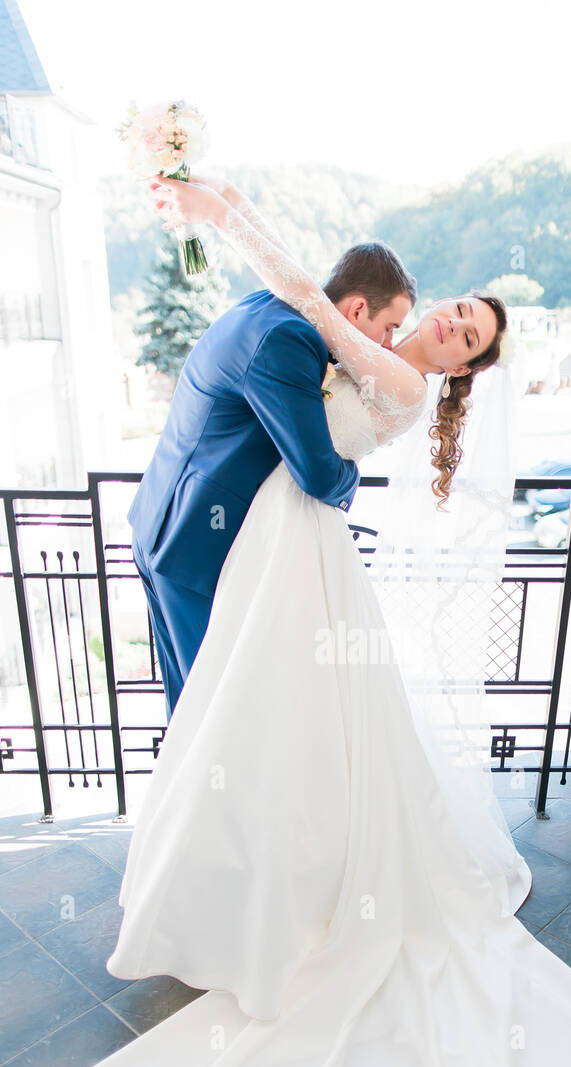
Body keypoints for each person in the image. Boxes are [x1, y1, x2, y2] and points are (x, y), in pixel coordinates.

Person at [81, 174, 571, 1067]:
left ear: (461, 365)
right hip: (277, 557)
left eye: (463, 330)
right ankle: (258, 880)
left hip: (300, 554)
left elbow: (309, 331)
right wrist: (220, 204)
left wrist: (231, 211)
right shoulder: (359, 346)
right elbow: (303, 301)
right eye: (450, 307)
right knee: (268, 733)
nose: (444, 321)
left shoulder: (394, 377)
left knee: (283, 732)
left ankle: (283, 895)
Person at [128, 224, 416, 717]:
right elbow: (319, 474)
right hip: (192, 542)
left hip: (164, 522)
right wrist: (354, 473)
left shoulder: (267, 303)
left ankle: (196, 795)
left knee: (191, 706)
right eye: (389, 327)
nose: (388, 344)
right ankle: (207, 797)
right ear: (357, 309)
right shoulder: (290, 340)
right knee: (210, 714)